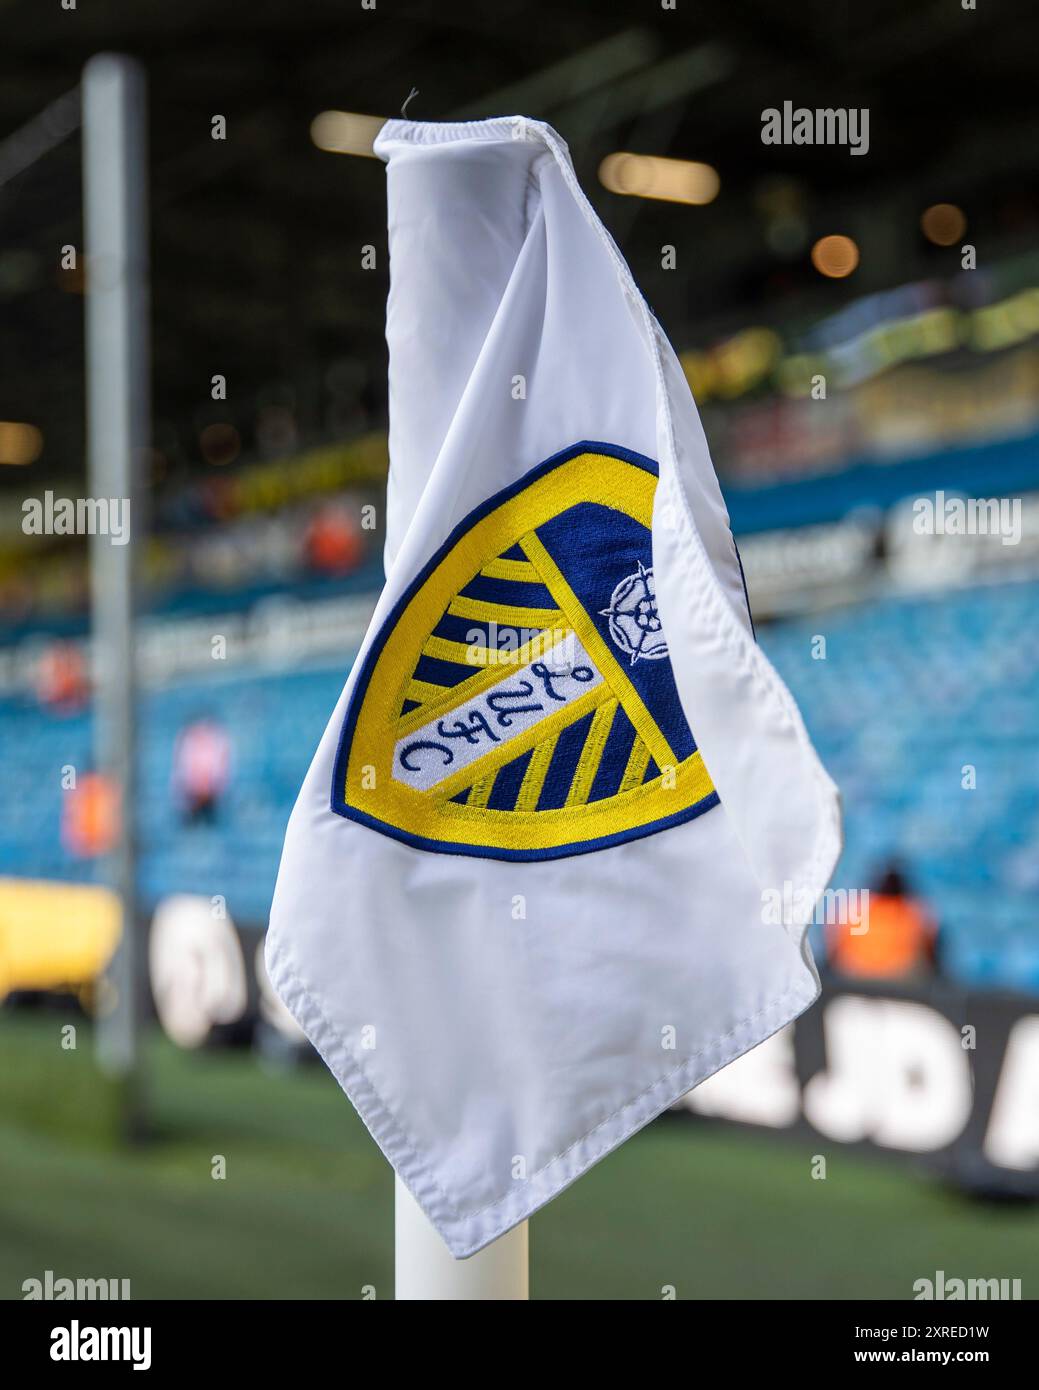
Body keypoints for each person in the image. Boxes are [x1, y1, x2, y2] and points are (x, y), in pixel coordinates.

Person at [826, 861, 939, 981]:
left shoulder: (855, 909)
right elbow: (931, 953)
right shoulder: (916, 911)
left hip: (856, 974)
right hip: (902, 977)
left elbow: (834, 951)